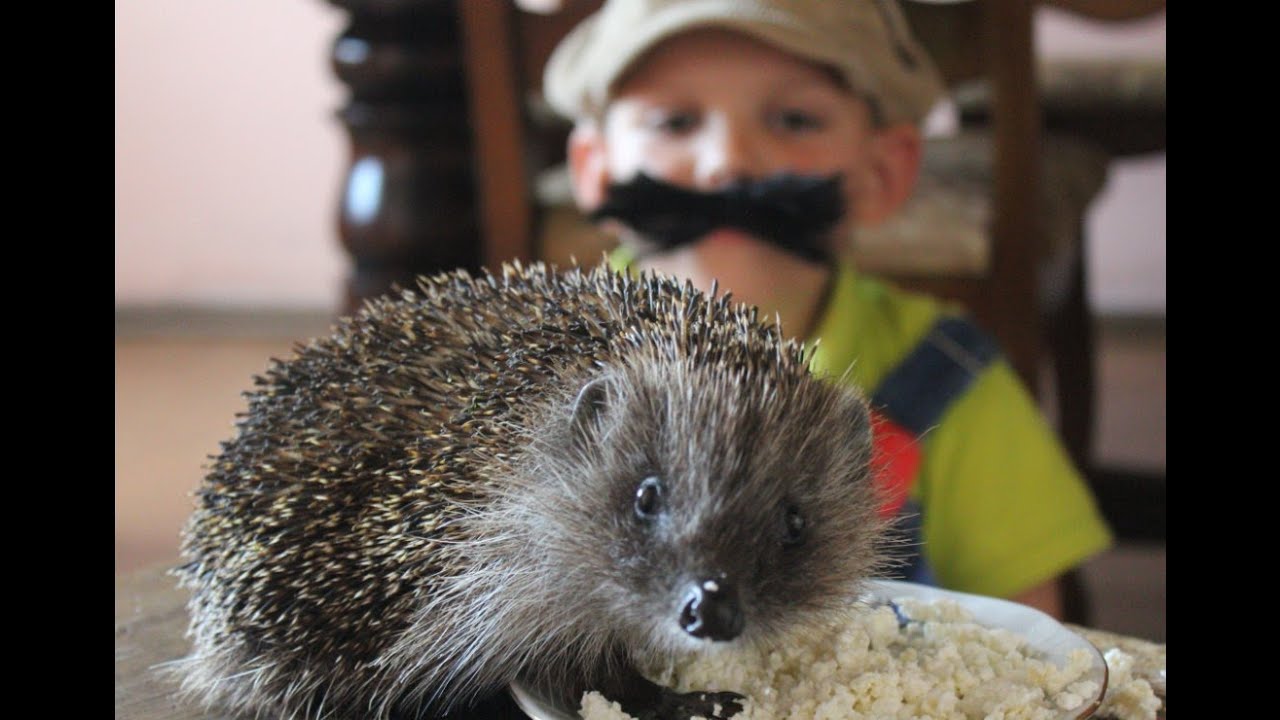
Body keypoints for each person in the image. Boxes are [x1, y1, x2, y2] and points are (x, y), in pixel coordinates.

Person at [536, 0, 1112, 619]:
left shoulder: (951, 377)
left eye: (794, 120)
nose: (727, 162)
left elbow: (1029, 632)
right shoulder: (548, 365)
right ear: (593, 169)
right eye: (675, 122)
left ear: (882, 172)